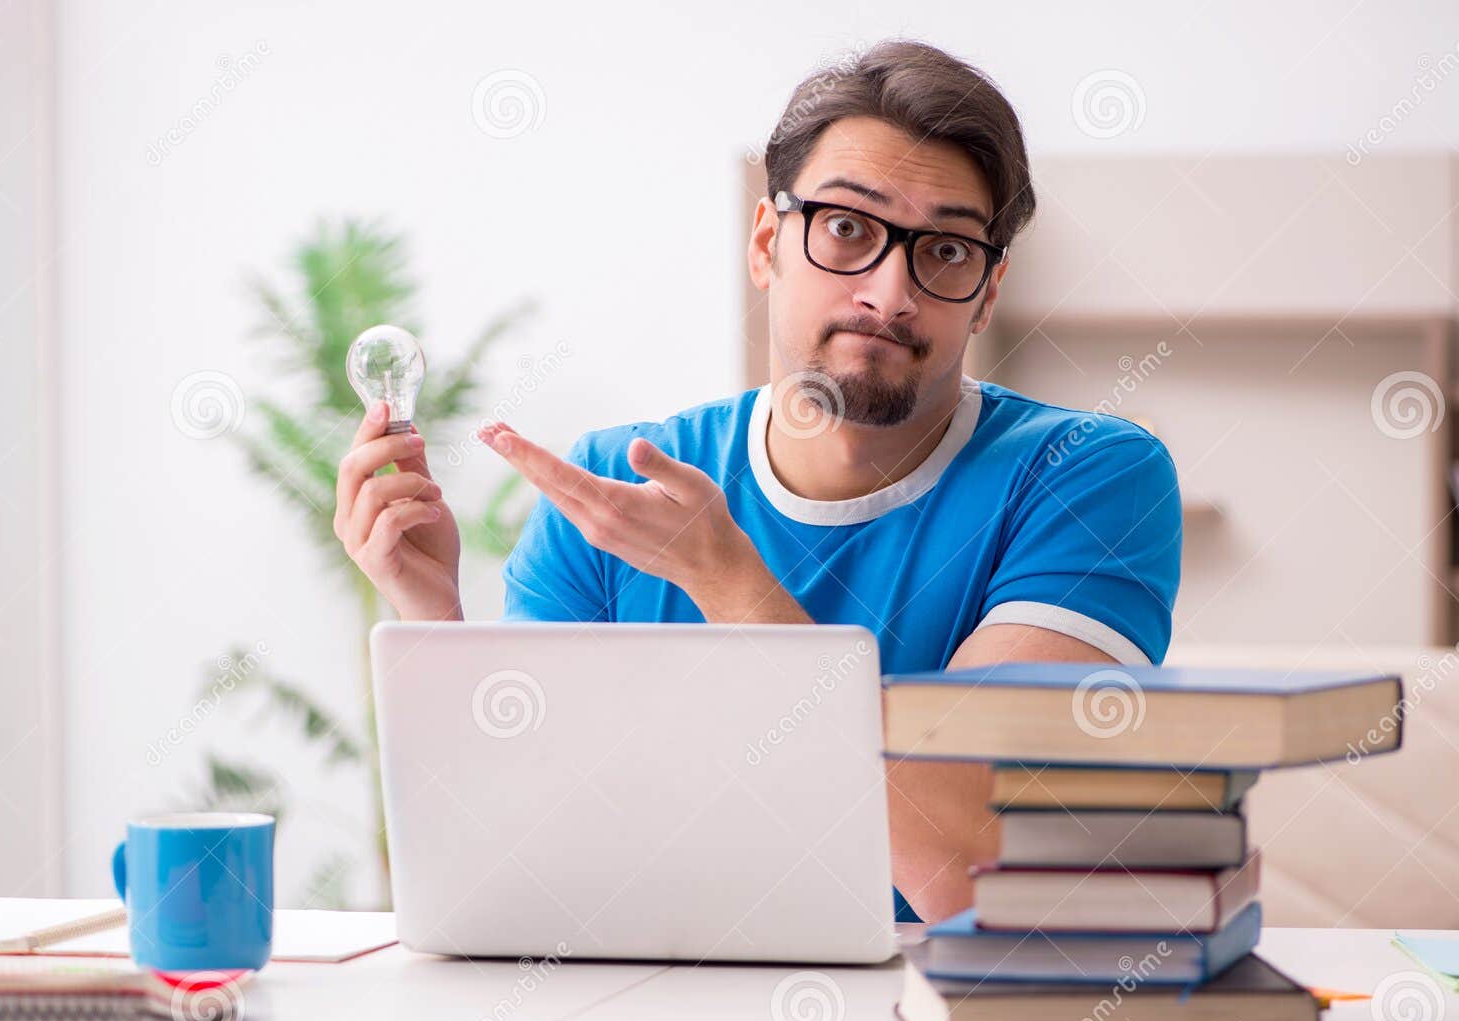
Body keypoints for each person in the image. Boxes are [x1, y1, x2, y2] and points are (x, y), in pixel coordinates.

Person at [333, 39, 1182, 923]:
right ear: (769, 242)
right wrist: (433, 621)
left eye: (946, 250)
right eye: (849, 229)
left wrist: (726, 582)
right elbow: (521, 868)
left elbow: (973, 874)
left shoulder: (1085, 478)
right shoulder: (608, 492)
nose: (891, 292)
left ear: (987, 290)